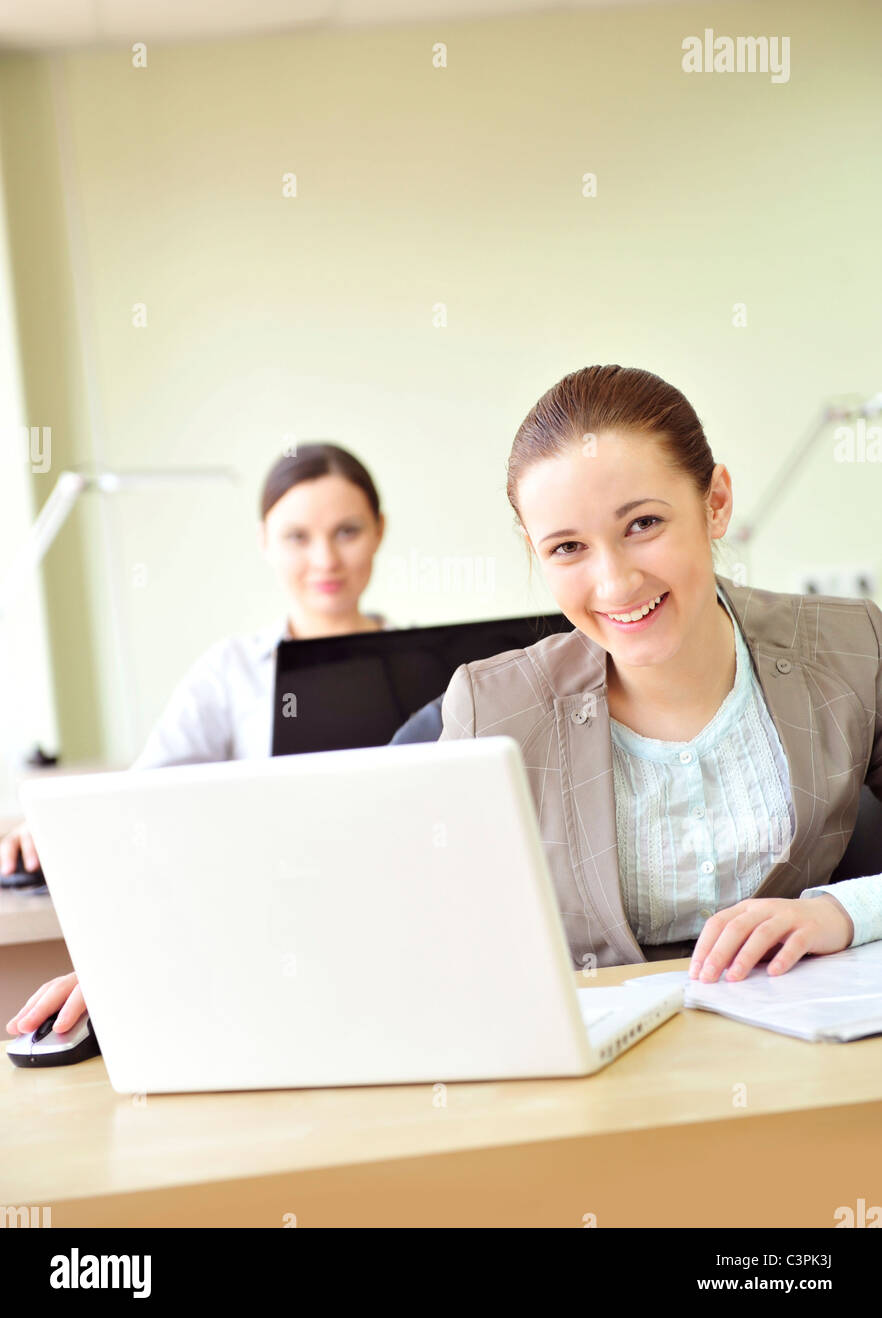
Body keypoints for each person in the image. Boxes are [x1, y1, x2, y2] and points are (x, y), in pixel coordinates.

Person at [438, 364, 882, 983]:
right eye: (568, 547)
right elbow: (440, 929)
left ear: (716, 503)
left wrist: (845, 911)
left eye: (642, 524)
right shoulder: (494, 709)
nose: (616, 583)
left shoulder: (850, 644)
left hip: (807, 1044)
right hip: (603, 1061)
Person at [1, 442, 392, 874]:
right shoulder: (230, 670)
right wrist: (55, 827)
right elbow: (145, 794)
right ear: (264, 541)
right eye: (297, 537)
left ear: (380, 530)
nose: (325, 560)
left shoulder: (443, 673)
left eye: (347, 532)